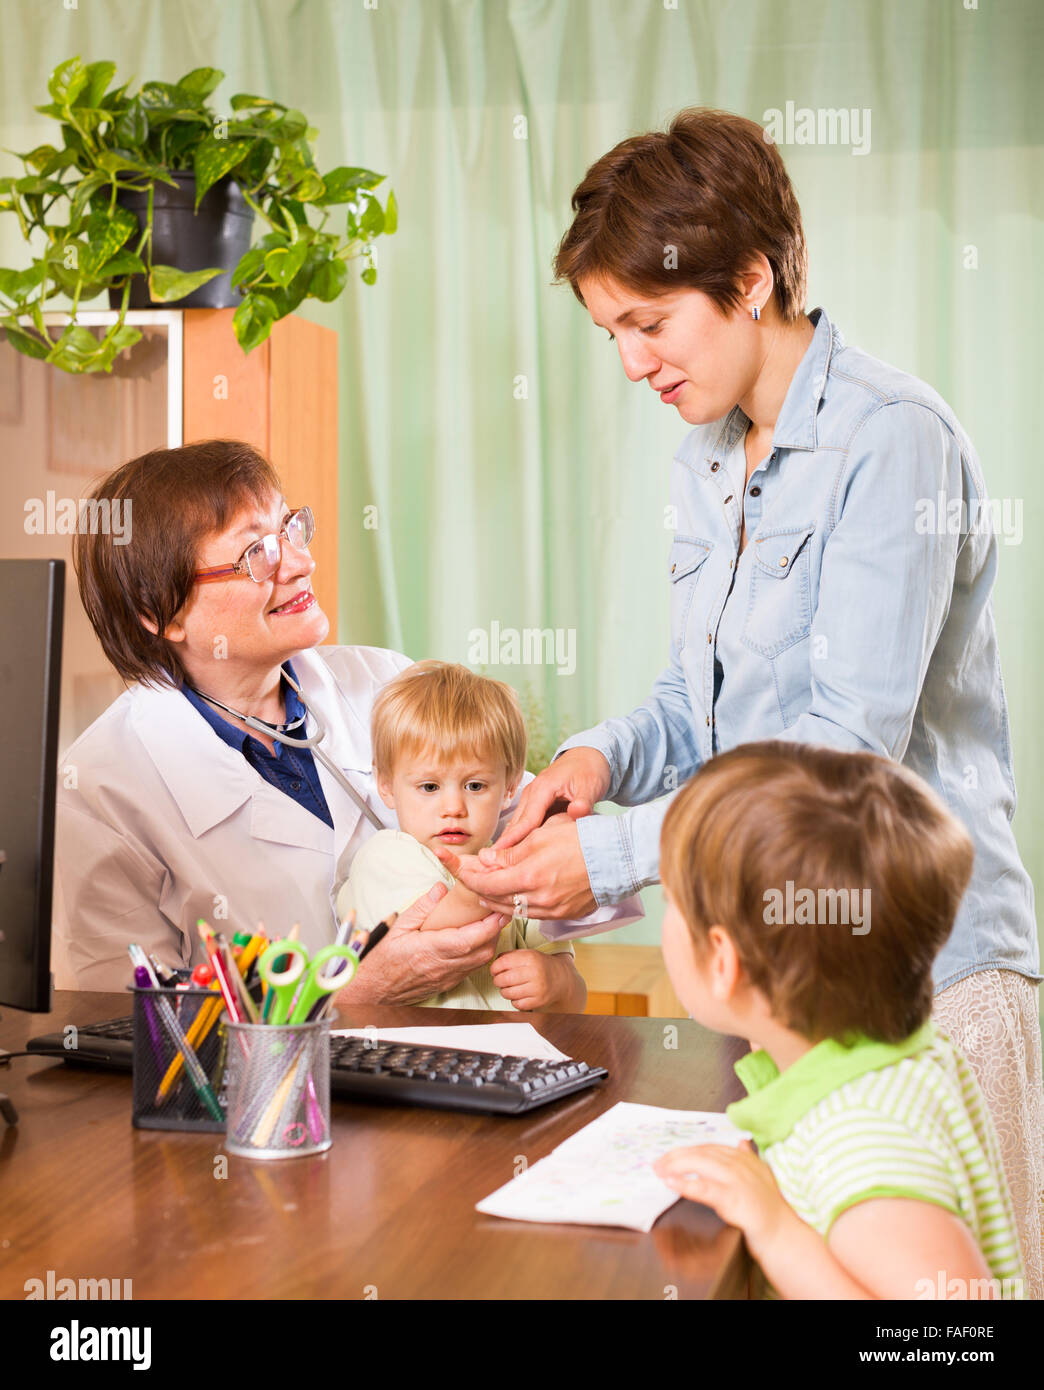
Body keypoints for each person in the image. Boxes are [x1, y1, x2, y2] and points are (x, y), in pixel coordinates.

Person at [438, 106, 1043, 1294]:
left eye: (649, 322)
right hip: (791, 977)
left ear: (752, 279)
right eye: (612, 331)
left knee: (949, 1310)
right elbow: (694, 697)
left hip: (926, 973)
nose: (633, 362)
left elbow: (841, 758)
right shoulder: (707, 455)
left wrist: (609, 858)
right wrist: (600, 763)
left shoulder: (892, 440)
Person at [53, 440, 638, 1001]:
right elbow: (126, 1031)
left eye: (290, 529)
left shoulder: (384, 683)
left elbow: (535, 836)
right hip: (272, 1098)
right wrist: (351, 995)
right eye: (257, 553)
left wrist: (589, 849)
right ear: (161, 613)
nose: (303, 562)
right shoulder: (102, 790)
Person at [650, 740, 1026, 1300]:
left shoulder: (863, 1141)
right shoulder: (882, 1059)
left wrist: (776, 1231)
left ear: (724, 962)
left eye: (672, 901)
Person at [337, 661, 585, 1011]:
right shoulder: (385, 856)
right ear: (387, 786)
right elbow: (432, 938)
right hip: (416, 1057)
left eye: (475, 785)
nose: (453, 807)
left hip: (511, 1058)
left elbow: (575, 995)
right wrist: (497, 880)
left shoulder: (517, 867)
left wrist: (554, 980)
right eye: (429, 786)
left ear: (510, 787)